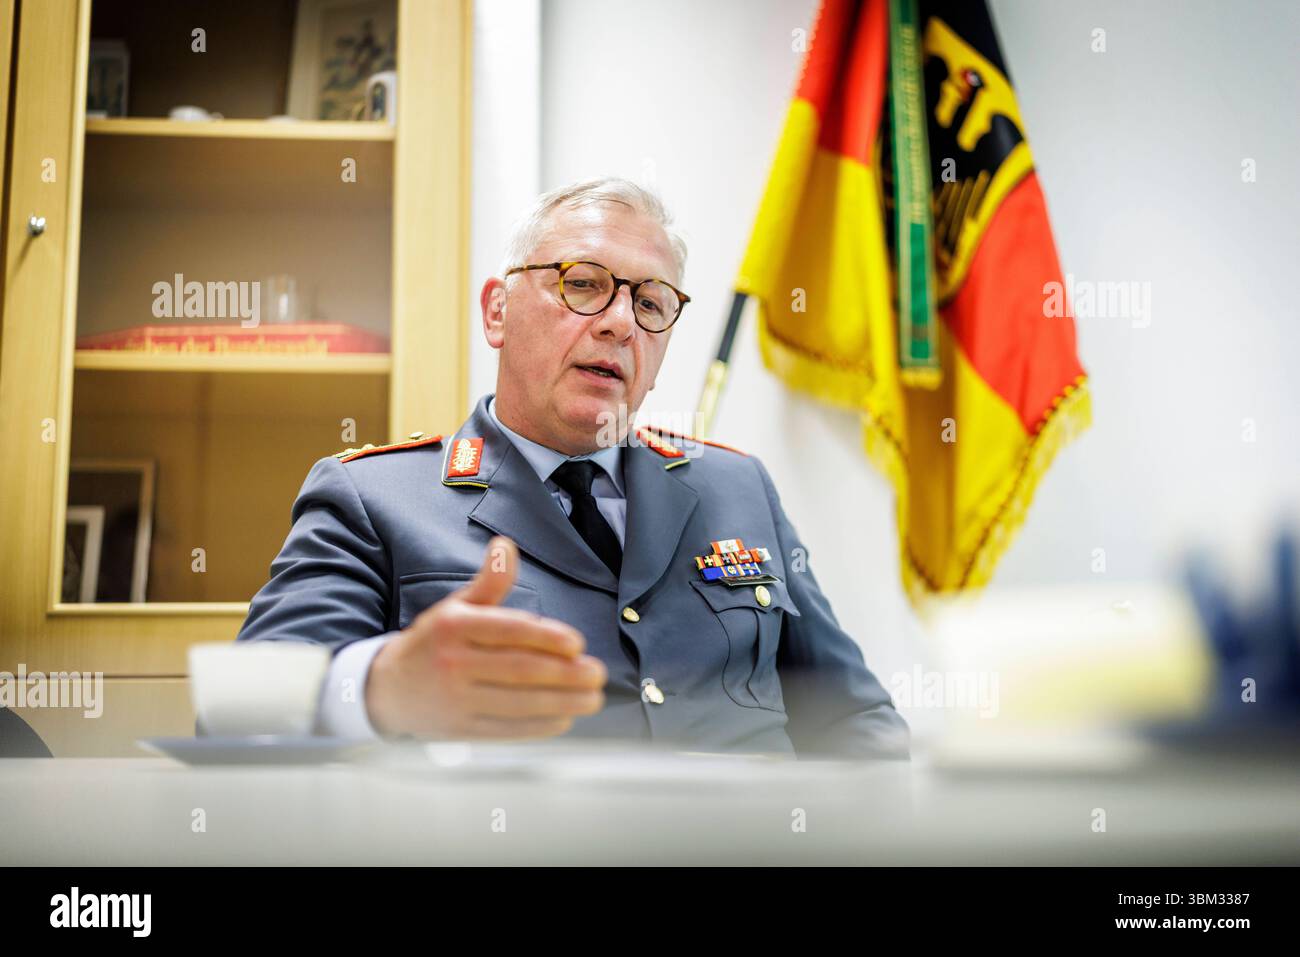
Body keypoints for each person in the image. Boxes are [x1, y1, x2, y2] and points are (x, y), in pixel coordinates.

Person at [236, 178, 908, 759]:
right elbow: (243, 712)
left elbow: (855, 721)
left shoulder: (736, 487)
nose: (621, 323)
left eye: (650, 303)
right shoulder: (372, 497)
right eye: (583, 284)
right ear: (498, 311)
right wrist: (382, 685)